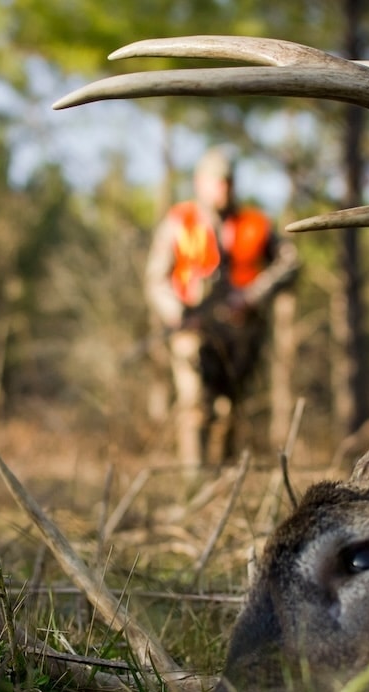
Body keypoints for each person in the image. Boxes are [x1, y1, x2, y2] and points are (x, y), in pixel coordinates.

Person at [145, 146, 299, 466]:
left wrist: (253, 295)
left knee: (231, 409)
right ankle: (194, 484)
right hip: (193, 330)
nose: (223, 187)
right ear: (199, 182)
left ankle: (224, 482)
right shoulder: (179, 221)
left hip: (241, 333)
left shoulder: (256, 223)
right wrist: (178, 314)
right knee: (195, 405)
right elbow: (155, 280)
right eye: (216, 180)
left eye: (228, 181)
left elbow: (291, 264)